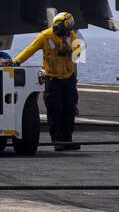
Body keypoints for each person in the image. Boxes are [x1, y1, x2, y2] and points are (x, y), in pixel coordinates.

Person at [13, 11, 82, 151]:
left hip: (69, 78)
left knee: (70, 109)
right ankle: (57, 140)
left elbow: (78, 52)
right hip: (52, 79)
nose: (68, 33)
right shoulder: (45, 36)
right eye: (66, 30)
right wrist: (16, 61)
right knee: (54, 110)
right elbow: (30, 49)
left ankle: (67, 139)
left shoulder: (71, 35)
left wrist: (69, 50)